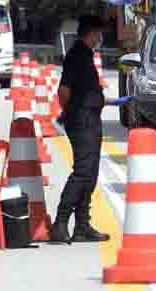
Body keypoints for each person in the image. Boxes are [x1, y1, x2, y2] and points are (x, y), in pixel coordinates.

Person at [51, 15, 132, 244]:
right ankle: (60, 223)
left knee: (91, 174)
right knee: (82, 172)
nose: (100, 37)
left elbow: (87, 92)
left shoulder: (86, 55)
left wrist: (111, 101)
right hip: (82, 121)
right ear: (91, 33)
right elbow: (64, 91)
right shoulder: (77, 56)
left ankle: (82, 226)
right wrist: (72, 112)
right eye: (99, 33)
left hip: (90, 119)